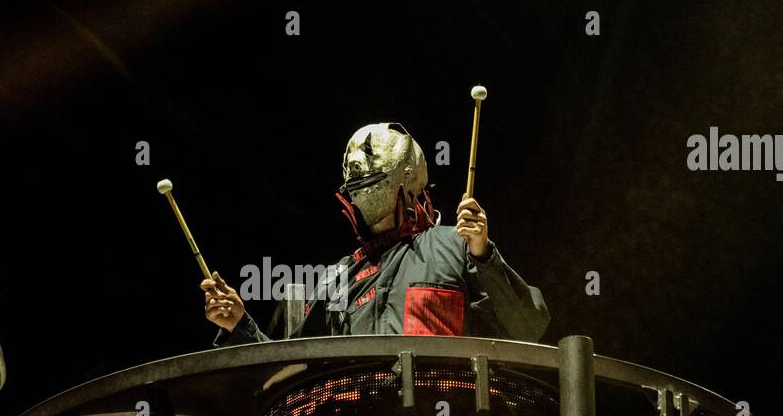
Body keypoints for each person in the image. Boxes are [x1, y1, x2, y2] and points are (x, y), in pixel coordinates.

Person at [202, 122, 549, 344]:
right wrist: (240, 325)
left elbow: (528, 327)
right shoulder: (338, 277)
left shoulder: (455, 244)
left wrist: (484, 256)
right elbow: (292, 372)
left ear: (409, 177)